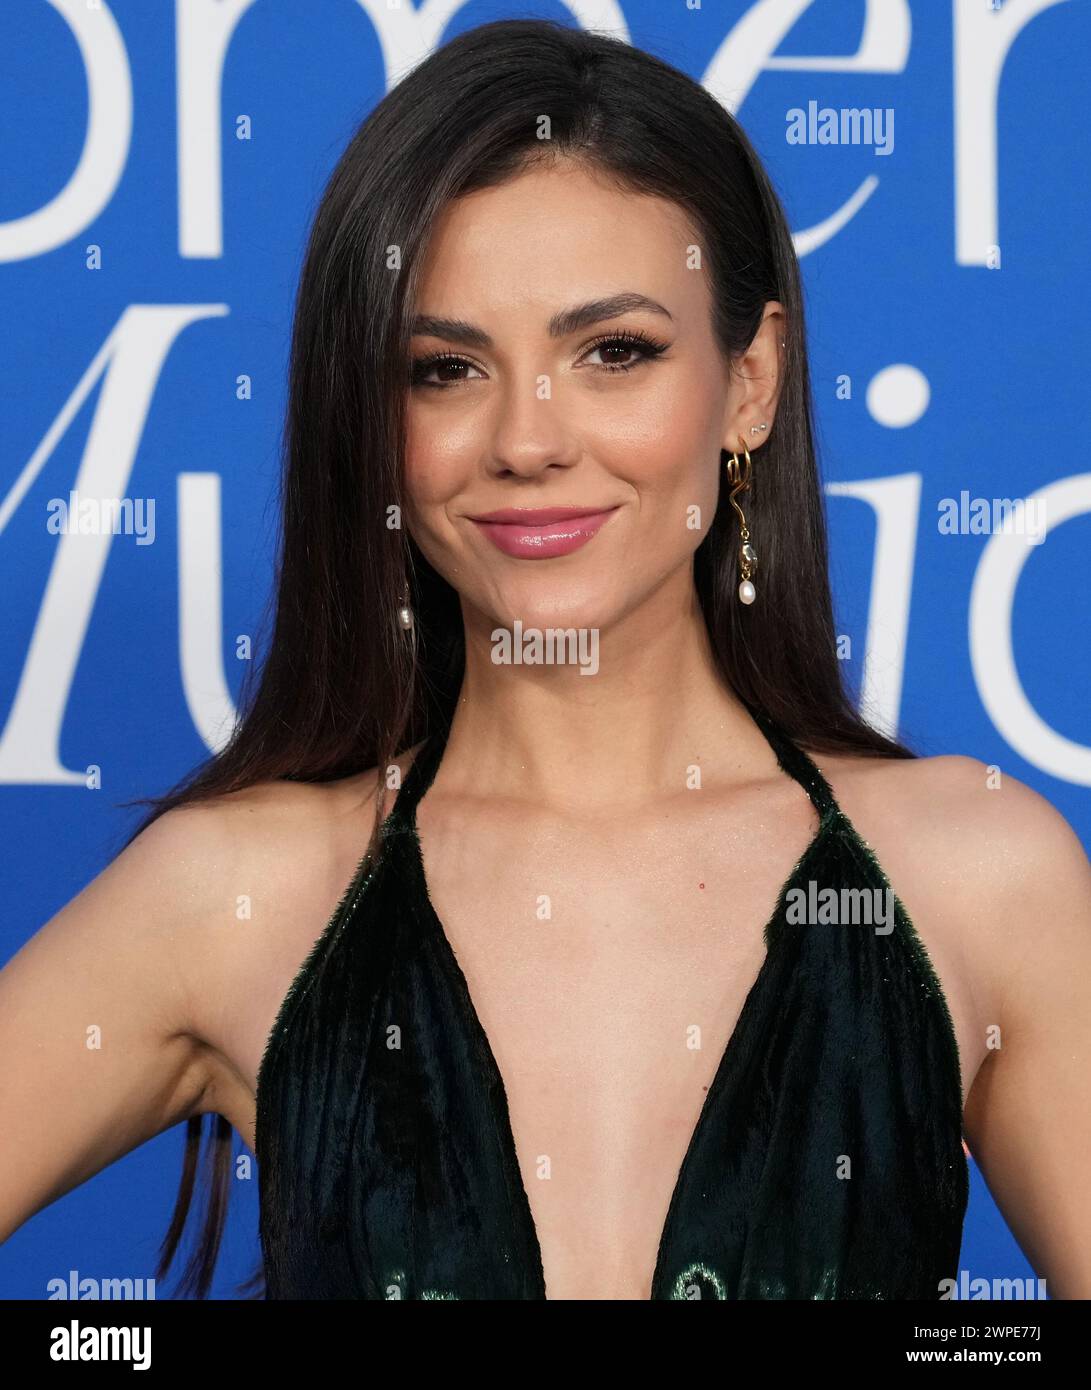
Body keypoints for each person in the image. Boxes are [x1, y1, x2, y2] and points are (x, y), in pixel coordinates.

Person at [2, 18, 1088, 1302]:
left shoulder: (974, 878)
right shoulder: (238, 895)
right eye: (445, 368)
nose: (526, 439)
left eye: (612, 352)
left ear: (750, 381)